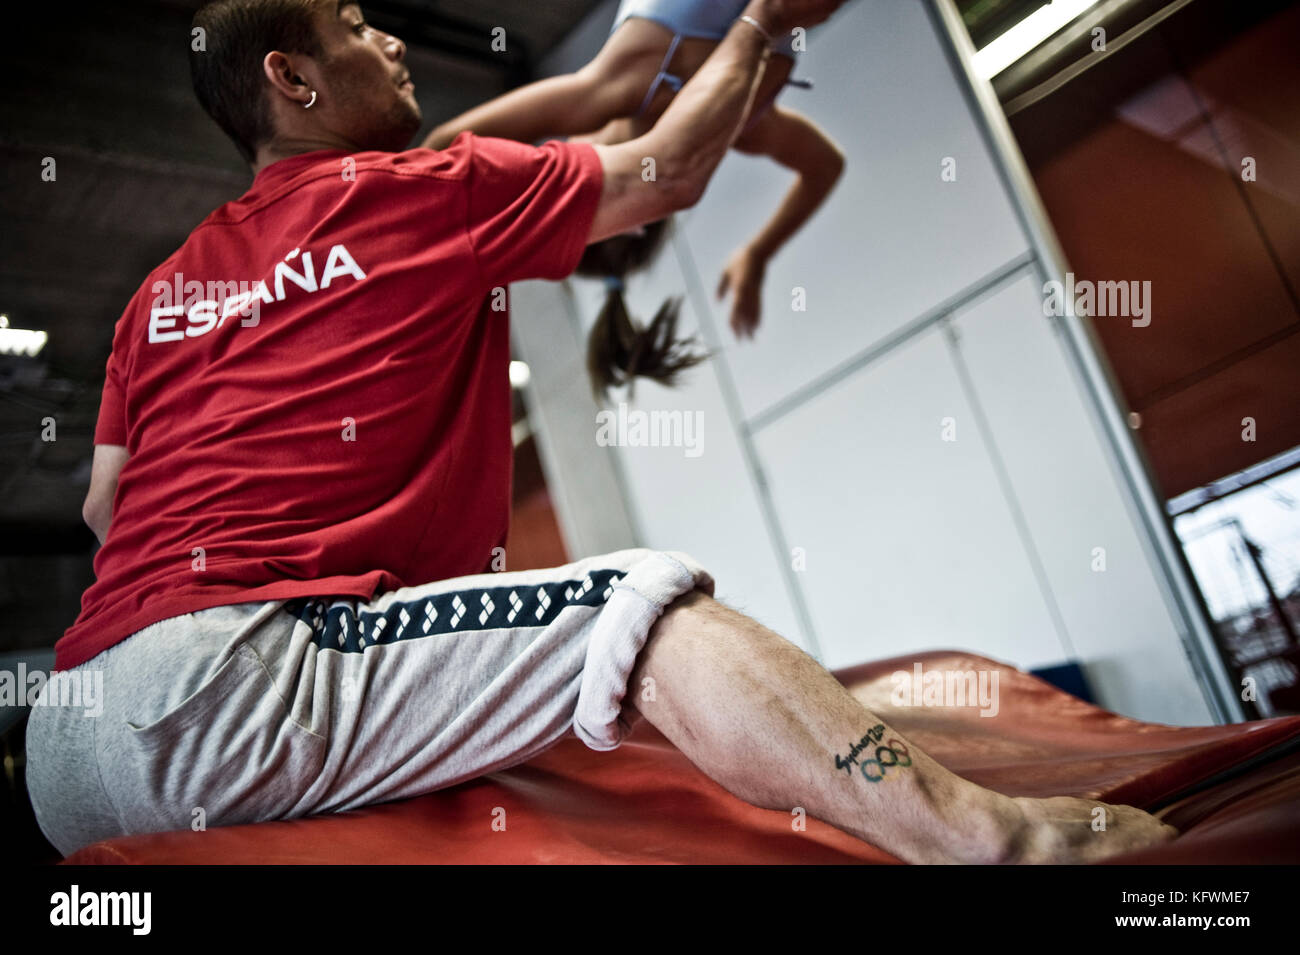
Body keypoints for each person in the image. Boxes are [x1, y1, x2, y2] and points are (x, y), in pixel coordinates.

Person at [25, 0, 1177, 864]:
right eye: (354, 24)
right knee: (642, 607)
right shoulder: (418, 187)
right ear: (293, 76)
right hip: (228, 690)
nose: (385, 38)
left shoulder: (161, 292)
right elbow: (670, 166)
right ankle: (1007, 845)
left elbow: (104, 508)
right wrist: (769, 25)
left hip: (66, 751)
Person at [425, 0, 847, 396]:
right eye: (564, 179)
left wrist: (758, 254)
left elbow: (825, 167)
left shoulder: (742, 123)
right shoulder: (607, 90)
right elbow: (441, 148)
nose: (560, 158)